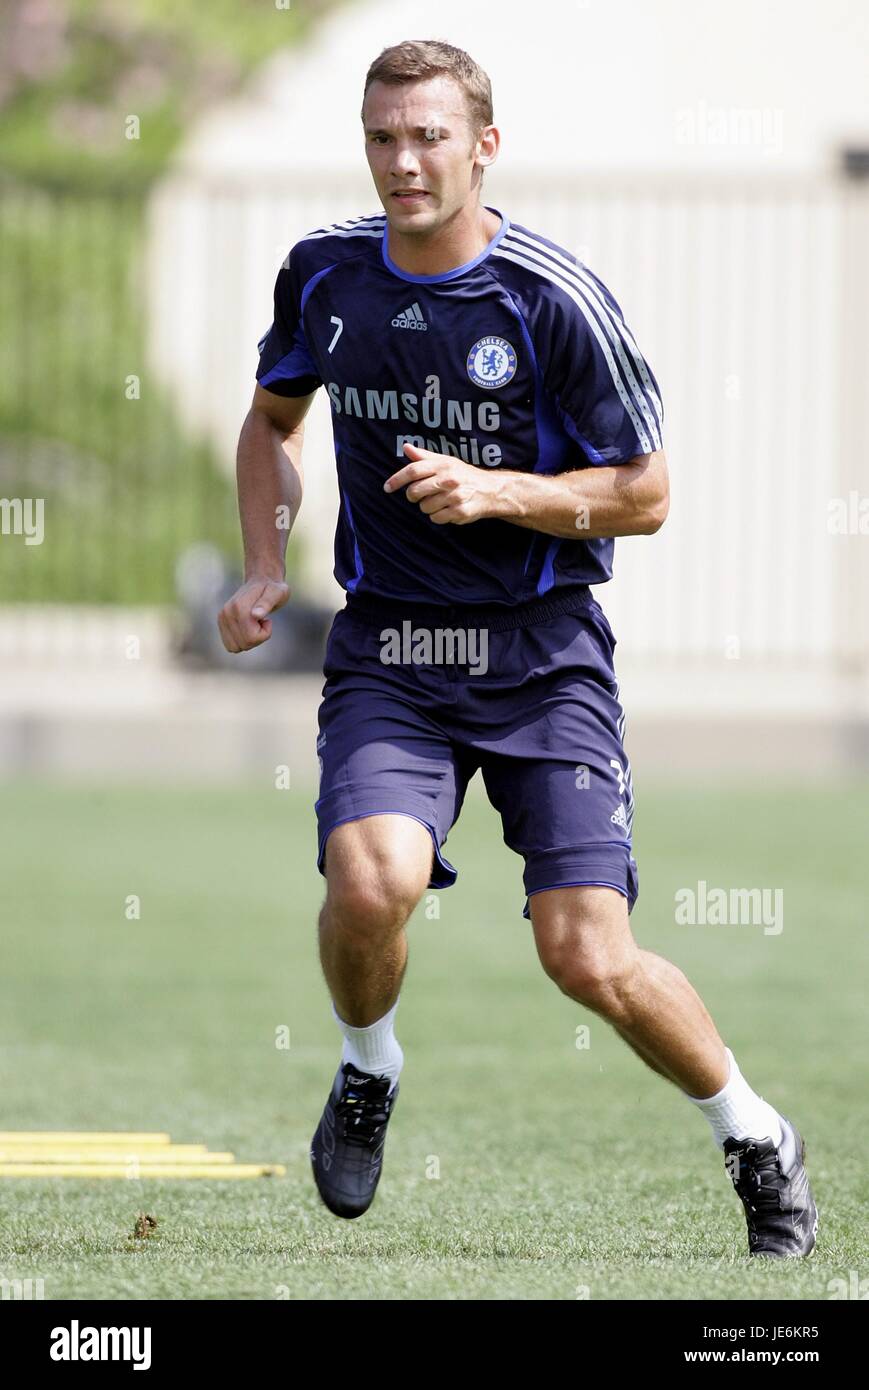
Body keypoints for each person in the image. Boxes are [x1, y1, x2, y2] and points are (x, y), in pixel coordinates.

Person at [218, 39, 817, 1257]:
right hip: (391, 648)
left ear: (483, 145)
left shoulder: (551, 298)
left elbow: (645, 496)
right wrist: (268, 561)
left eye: (428, 135)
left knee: (584, 955)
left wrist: (503, 494)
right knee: (371, 877)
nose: (403, 160)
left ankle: (754, 1133)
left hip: (543, 661)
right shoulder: (326, 276)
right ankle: (367, 1068)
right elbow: (269, 425)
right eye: (382, 136)